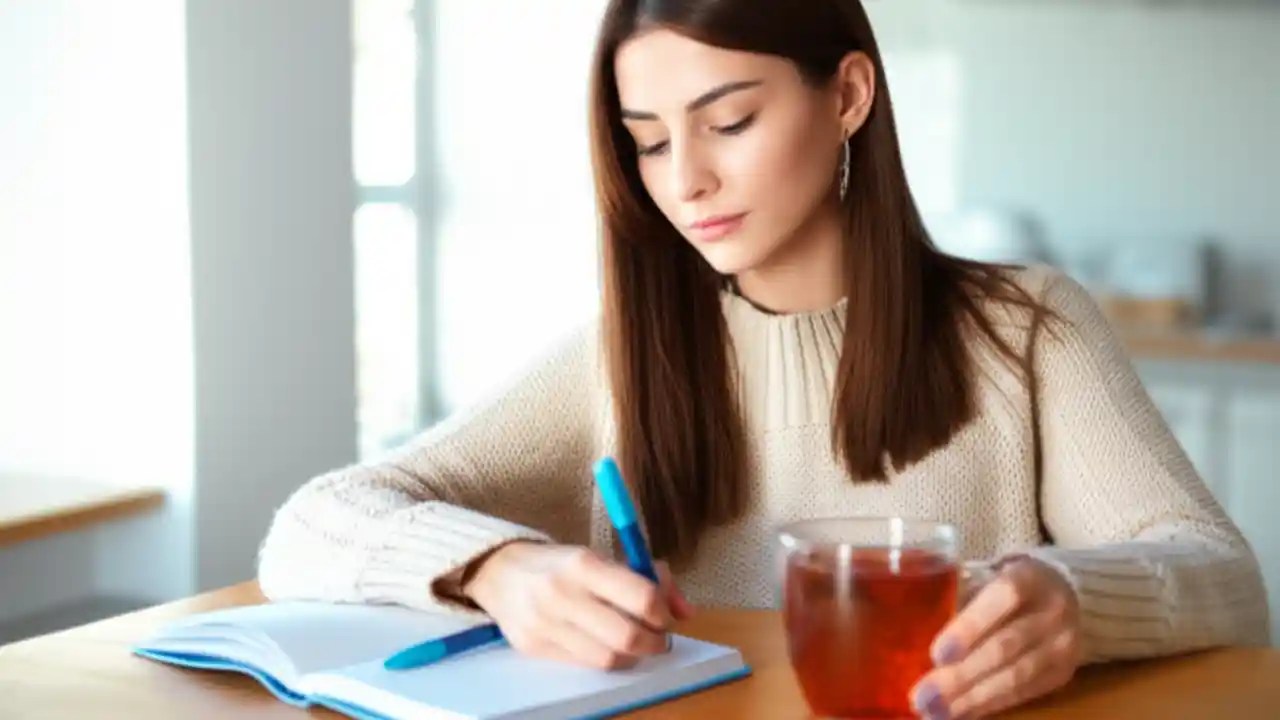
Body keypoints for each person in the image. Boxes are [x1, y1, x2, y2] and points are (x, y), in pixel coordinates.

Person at [257, 0, 1270, 717]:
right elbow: (311, 526)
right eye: (646, 142)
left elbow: (1221, 577)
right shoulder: (625, 355)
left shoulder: (1026, 328)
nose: (685, 179)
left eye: (728, 121)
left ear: (847, 95)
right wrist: (498, 570)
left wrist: (1068, 601)